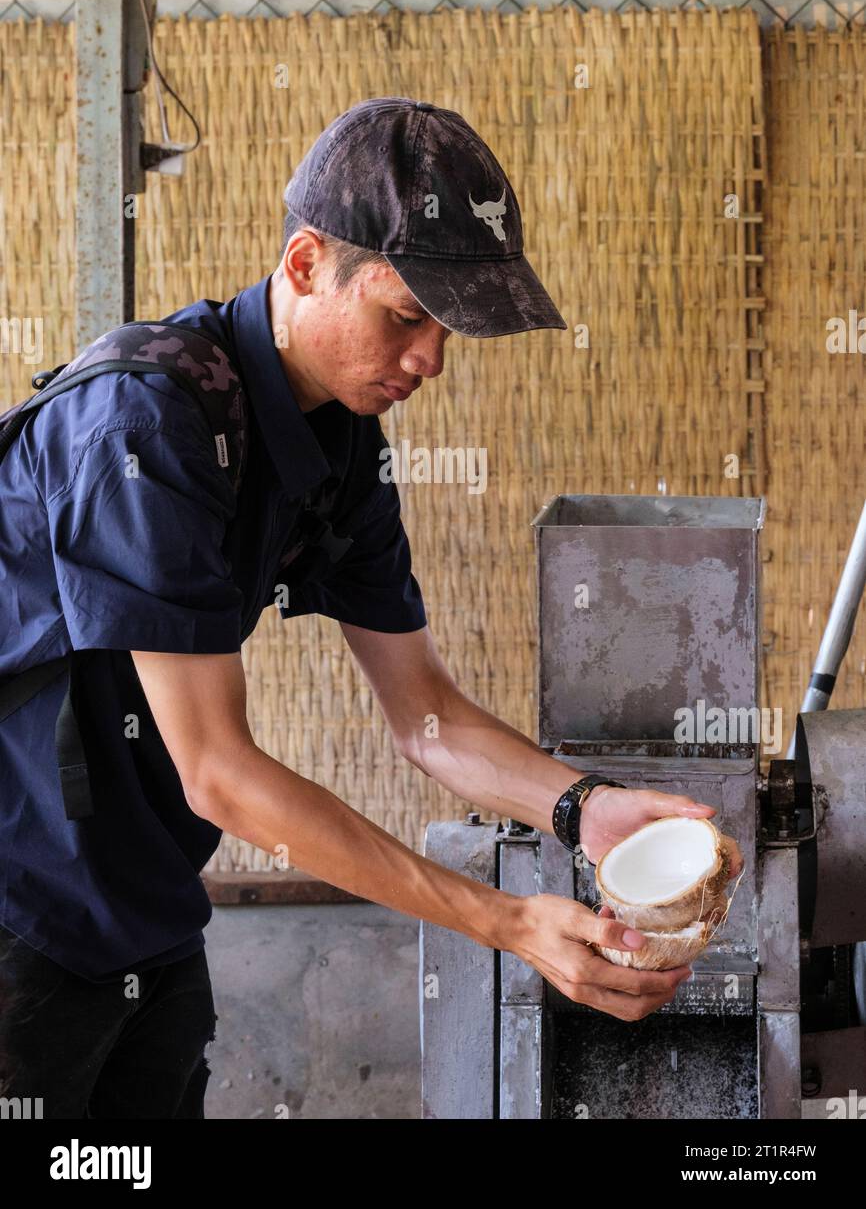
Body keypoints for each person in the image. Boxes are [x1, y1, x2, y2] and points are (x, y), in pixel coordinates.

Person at [0, 97, 742, 1118]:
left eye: (445, 329)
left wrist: (583, 808)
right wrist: (507, 922)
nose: (430, 361)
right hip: (19, 906)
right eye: (405, 315)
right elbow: (220, 775)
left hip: (145, 907)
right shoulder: (143, 425)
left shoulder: (338, 447)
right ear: (305, 263)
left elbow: (424, 716)